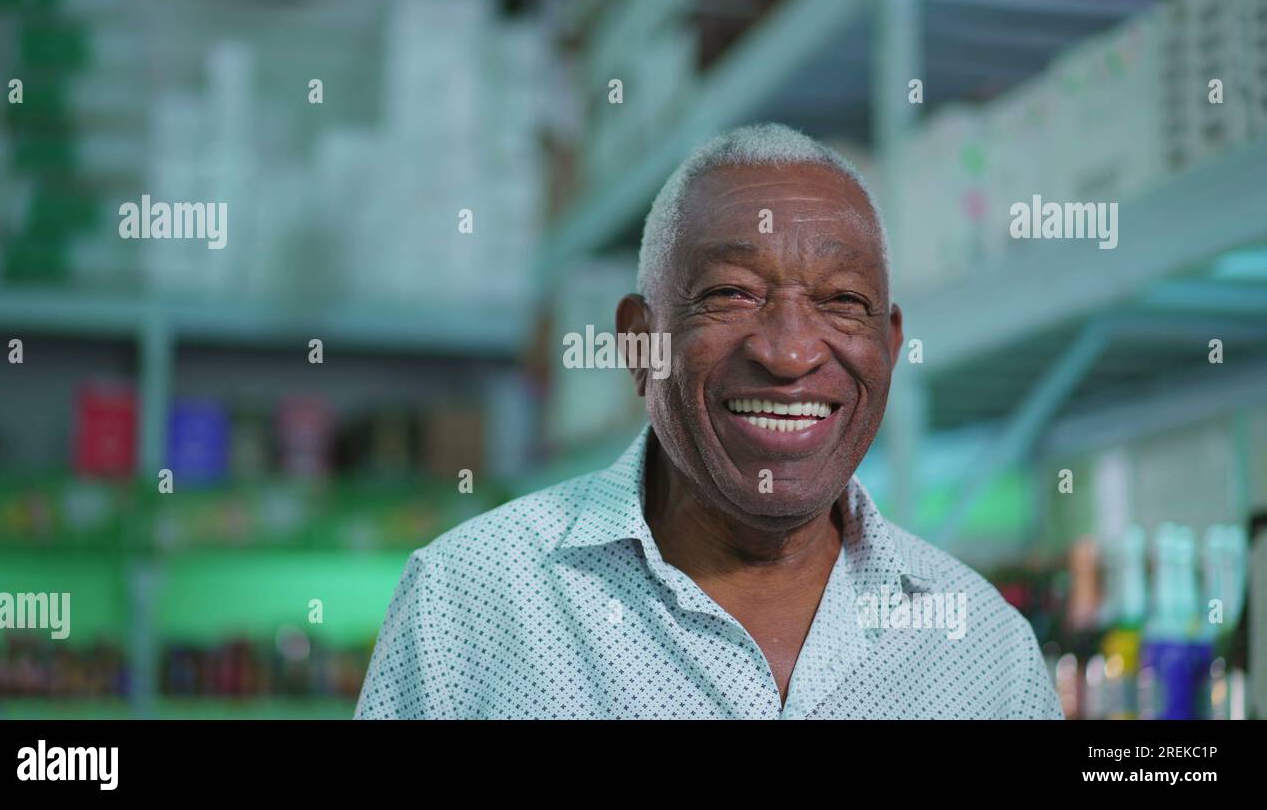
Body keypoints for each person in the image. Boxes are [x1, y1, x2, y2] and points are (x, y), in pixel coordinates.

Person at [355, 123, 1063, 719]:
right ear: (639, 342)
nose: (788, 352)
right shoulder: (467, 603)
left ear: (890, 344)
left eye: (842, 301)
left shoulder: (988, 652)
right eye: (731, 293)